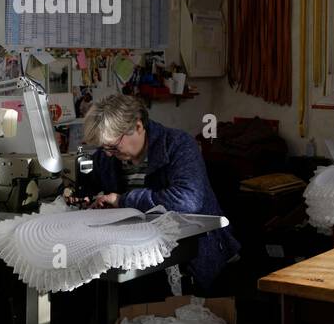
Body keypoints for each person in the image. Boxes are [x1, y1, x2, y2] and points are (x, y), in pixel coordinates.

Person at [79, 94, 239, 292]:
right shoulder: (108, 157)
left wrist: (122, 200)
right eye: (103, 148)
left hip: (193, 252)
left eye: (112, 146)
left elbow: (186, 200)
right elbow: (89, 184)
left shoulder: (178, 144)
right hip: (138, 247)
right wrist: (85, 196)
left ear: (138, 127)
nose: (107, 153)